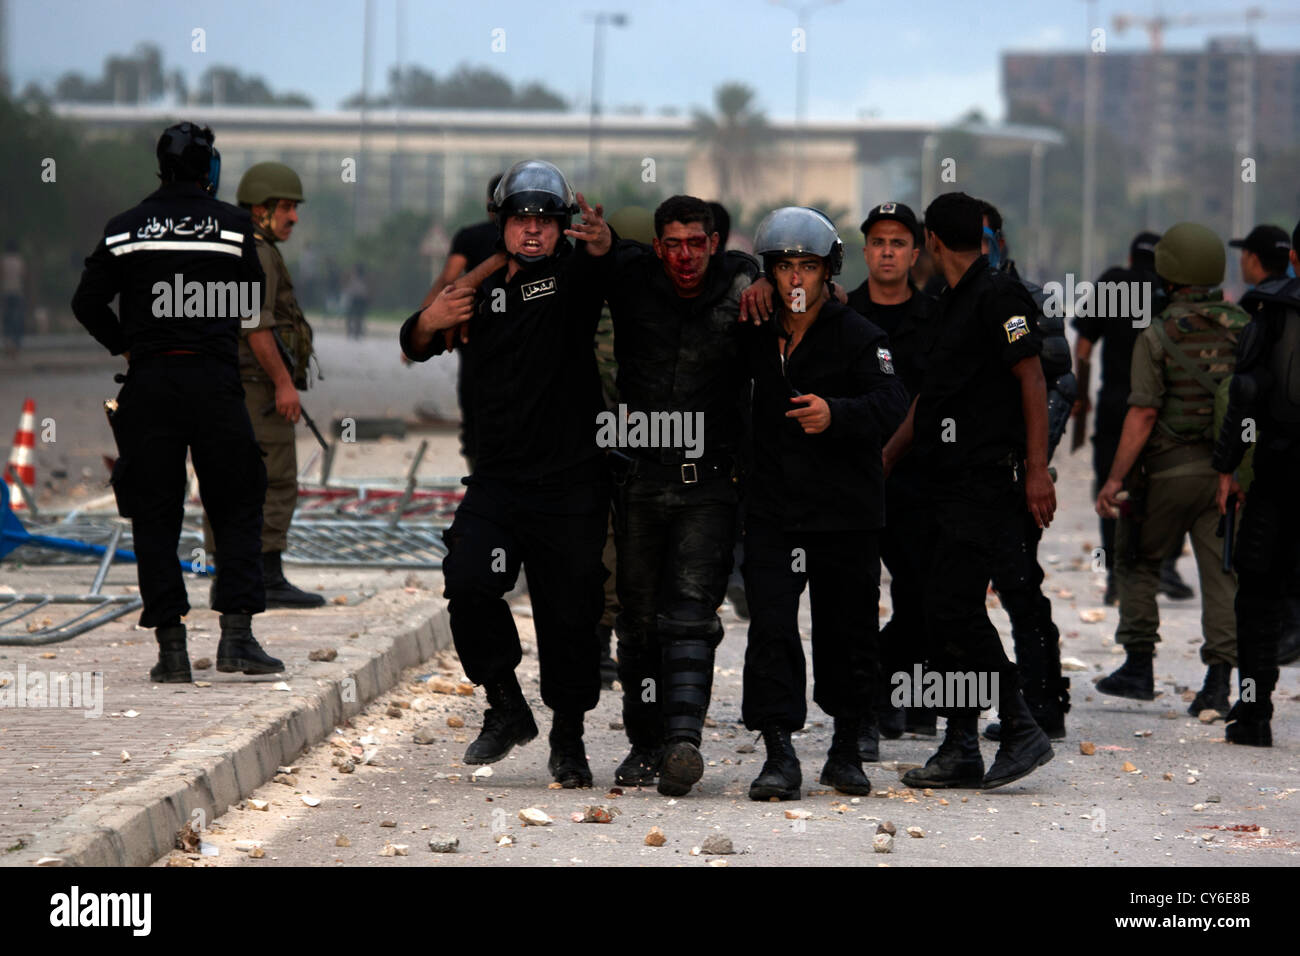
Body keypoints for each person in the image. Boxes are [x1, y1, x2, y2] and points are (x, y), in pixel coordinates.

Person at [400, 160, 612, 789]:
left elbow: (612, 265)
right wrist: (427, 324)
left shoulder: (575, 279)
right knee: (467, 580)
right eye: (522, 219)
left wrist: (603, 245)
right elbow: (415, 343)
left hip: (572, 482)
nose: (533, 231)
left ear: (561, 227)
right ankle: (505, 704)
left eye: (547, 221)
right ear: (502, 222)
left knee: (570, 612)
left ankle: (568, 740)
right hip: (497, 483)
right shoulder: (476, 290)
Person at [70, 122, 281, 681]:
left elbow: (86, 301)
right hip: (214, 384)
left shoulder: (124, 229)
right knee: (237, 501)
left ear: (160, 167)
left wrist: (129, 345)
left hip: (151, 386)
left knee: (154, 512)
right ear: (209, 169)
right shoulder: (235, 227)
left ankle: (172, 651)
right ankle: (237, 639)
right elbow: (252, 302)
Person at [885, 191, 1055, 790]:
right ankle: (960, 744)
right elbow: (929, 402)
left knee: (955, 609)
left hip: (985, 484)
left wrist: (1037, 469)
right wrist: (885, 459)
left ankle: (1019, 724)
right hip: (942, 480)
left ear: (931, 241)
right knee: (940, 615)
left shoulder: (998, 295)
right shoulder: (949, 302)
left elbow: (1031, 377)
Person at [740, 207, 907, 800]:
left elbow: (893, 401)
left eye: (807, 266)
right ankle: (779, 751)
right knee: (772, 628)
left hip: (846, 514)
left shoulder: (859, 335)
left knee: (848, 630)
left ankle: (845, 747)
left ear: (828, 271)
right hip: (773, 513)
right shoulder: (753, 330)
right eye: (783, 266)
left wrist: (838, 414)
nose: (795, 279)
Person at [602, 195, 758, 796]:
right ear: (659, 245)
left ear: (714, 242)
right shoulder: (633, 276)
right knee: (637, 625)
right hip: (640, 479)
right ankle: (644, 743)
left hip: (709, 483)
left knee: (691, 617)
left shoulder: (745, 283)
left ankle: (682, 743)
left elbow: (810, 297)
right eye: (674, 244)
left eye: (697, 242)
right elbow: (590, 262)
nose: (686, 255)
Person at [1094, 223, 1246, 717]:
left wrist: (1114, 480)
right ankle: (1220, 683)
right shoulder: (1244, 327)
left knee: (1138, 559)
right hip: (1227, 476)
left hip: (1166, 474)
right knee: (1221, 573)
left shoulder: (1158, 333)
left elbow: (1141, 413)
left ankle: (1139, 667)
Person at [202, 162, 324, 609]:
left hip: (230, 384)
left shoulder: (229, 246)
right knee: (275, 480)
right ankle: (267, 576)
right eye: (286, 208)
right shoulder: (260, 253)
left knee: (228, 480)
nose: (293, 217)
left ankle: (228, 576)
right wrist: (282, 384)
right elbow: (257, 325)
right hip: (257, 387)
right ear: (260, 209)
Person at [977, 201, 1074, 742]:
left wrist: (1036, 466)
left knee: (1019, 588)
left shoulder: (1026, 302)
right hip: (959, 475)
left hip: (1015, 475)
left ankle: (1042, 704)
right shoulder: (950, 300)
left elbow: (1059, 387)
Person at [1213, 224, 1300, 746]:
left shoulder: (1270, 308)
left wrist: (1226, 469)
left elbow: (1244, 392)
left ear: (1293, 257)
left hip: (1278, 474)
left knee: (1257, 598)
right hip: (1276, 472)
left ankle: (1254, 712)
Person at [1071, 233, 1183, 605]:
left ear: (1130, 256)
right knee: (1161, 488)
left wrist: (1081, 396)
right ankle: (1158, 568)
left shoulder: (1113, 282)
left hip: (1116, 404)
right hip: (1161, 407)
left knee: (1110, 487)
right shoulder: (1170, 290)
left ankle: (1118, 574)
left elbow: (1084, 348)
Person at [1230, 224, 1292, 292]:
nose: (1241, 260)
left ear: (1253, 259)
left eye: (1243, 253)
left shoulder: (1254, 300)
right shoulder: (1295, 294)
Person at [2, 240, 27, 359]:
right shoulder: (19, 260)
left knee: (7, 319)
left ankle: (7, 344)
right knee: (17, 320)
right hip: (18, 293)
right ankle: (16, 347)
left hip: (6, 293)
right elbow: (23, 275)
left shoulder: (3, 260)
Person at [343, 263, 369, 339]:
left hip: (358, 298)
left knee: (357, 316)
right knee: (354, 316)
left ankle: (356, 331)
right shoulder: (354, 277)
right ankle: (353, 331)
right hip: (356, 298)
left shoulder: (361, 278)